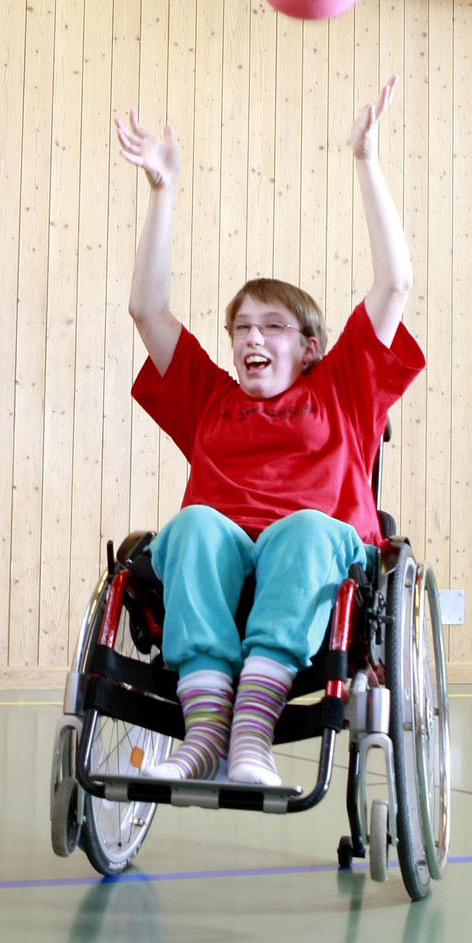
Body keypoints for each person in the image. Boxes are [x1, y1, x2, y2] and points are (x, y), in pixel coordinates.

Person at [115, 76, 424, 787]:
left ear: (308, 345)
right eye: (241, 327)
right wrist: (163, 194)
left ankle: (249, 739)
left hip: (317, 555)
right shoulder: (210, 399)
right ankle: (204, 737)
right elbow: (146, 309)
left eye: (272, 326)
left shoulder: (340, 389)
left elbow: (396, 283)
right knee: (189, 526)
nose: (252, 337)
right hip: (222, 563)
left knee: (304, 530)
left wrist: (366, 163)